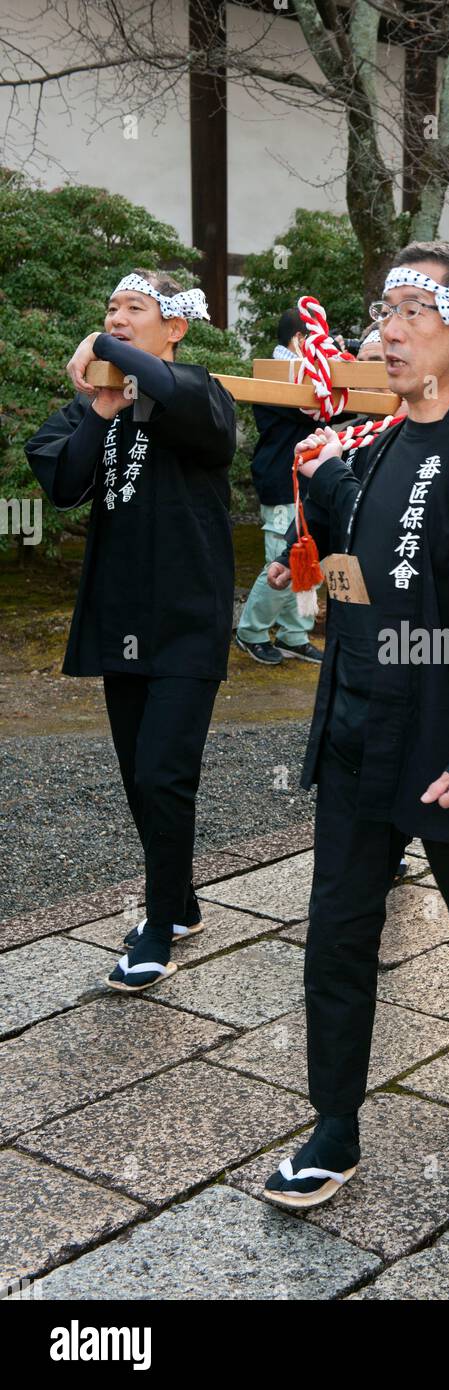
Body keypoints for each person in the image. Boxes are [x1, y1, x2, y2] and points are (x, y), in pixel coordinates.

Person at [260, 240, 449, 1209]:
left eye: (412, 316)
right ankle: (335, 1128)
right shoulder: (382, 443)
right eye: (383, 315)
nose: (387, 334)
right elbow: (366, 587)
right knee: (337, 929)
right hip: (359, 727)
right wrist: (309, 565)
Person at [25, 270, 236, 991]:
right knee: (136, 776)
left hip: (186, 619)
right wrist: (101, 410)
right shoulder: (93, 407)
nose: (116, 317)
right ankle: (179, 900)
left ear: (173, 329)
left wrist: (95, 346)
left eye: (133, 309)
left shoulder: (200, 392)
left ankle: (156, 928)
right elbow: (62, 483)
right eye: (108, 308)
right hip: (122, 620)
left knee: (163, 772)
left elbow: (174, 398)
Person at [234, 307, 323, 667]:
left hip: (310, 475)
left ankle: (294, 633)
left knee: (310, 554)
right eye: (316, 340)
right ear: (300, 339)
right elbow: (317, 409)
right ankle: (251, 631)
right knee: (280, 559)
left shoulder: (309, 373)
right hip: (281, 476)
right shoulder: (276, 375)